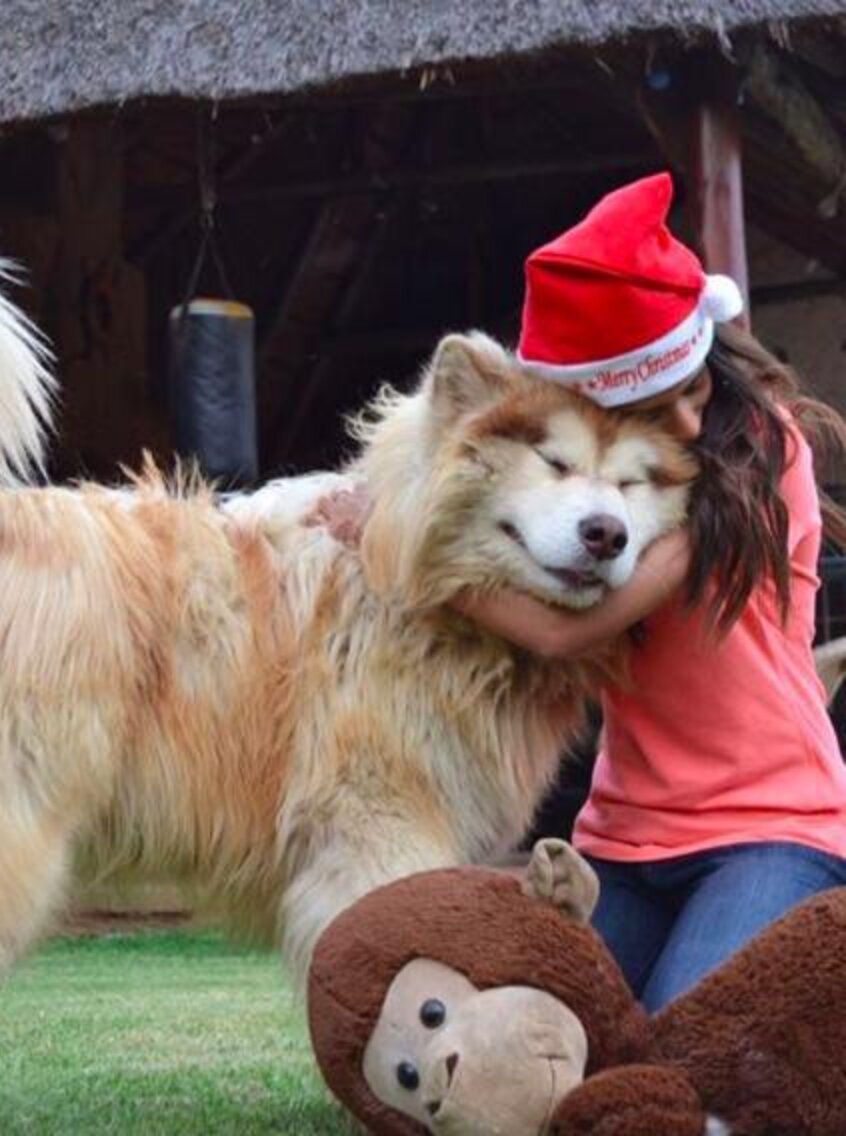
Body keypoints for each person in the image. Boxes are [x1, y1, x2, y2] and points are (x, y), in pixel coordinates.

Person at [314, 172, 846, 1012]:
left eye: (692, 393)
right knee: (538, 1042)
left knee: (688, 1049)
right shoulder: (601, 481)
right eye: (651, 407)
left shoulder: (753, 457)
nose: (680, 426)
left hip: (772, 829)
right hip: (621, 839)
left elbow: (564, 634)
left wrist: (391, 540)